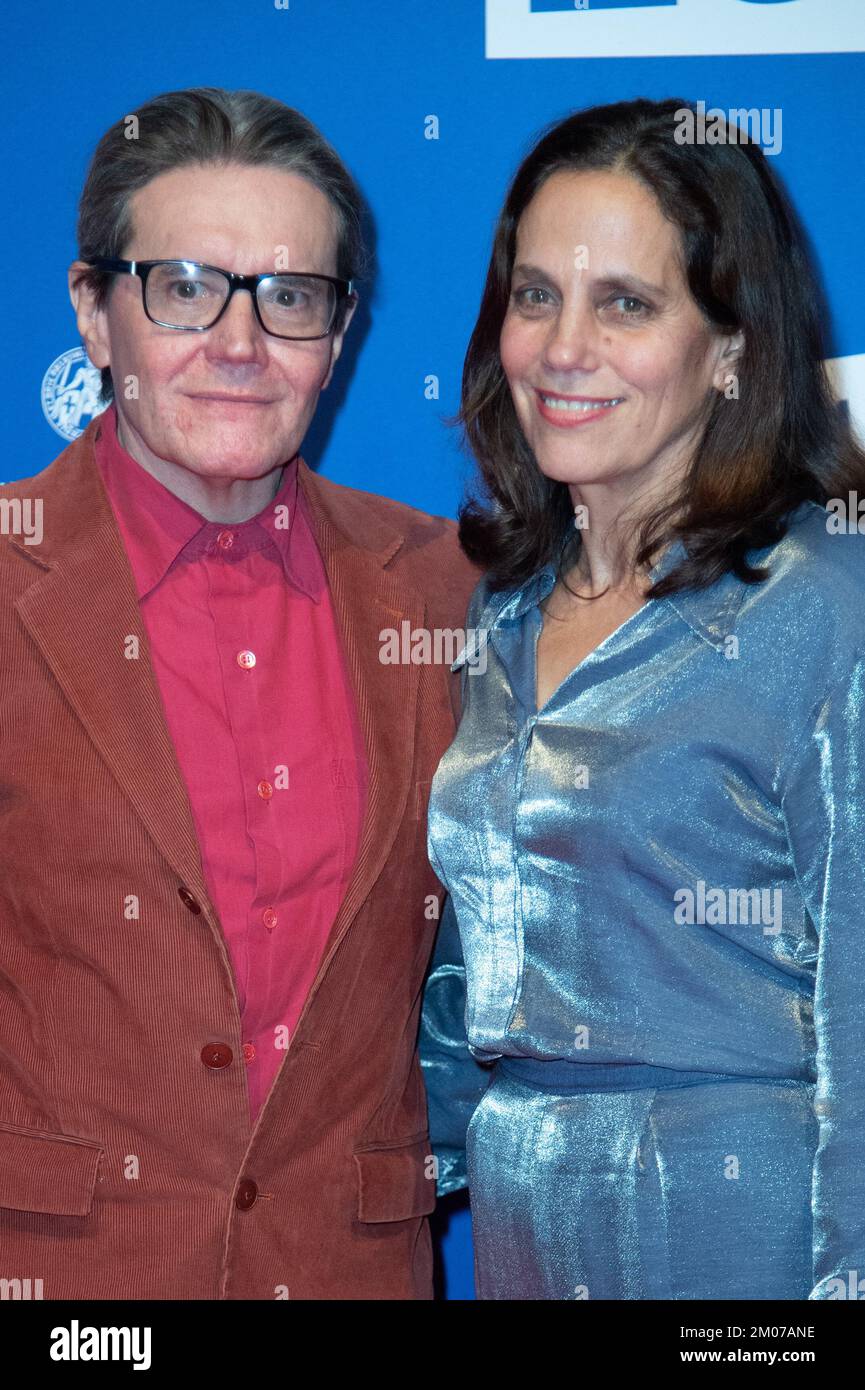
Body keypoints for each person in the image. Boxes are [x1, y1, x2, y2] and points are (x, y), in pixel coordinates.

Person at [0, 86, 478, 1300]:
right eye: (184, 286)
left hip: (346, 1269)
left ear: (340, 331)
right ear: (93, 314)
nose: (238, 341)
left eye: (290, 297)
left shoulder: (448, 590)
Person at [419, 97, 865, 1300]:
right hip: (521, 1230)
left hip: (740, 1240)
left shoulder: (824, 606)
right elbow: (471, 982)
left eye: (626, 303)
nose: (564, 348)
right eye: (533, 295)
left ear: (730, 347)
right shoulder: (498, 614)